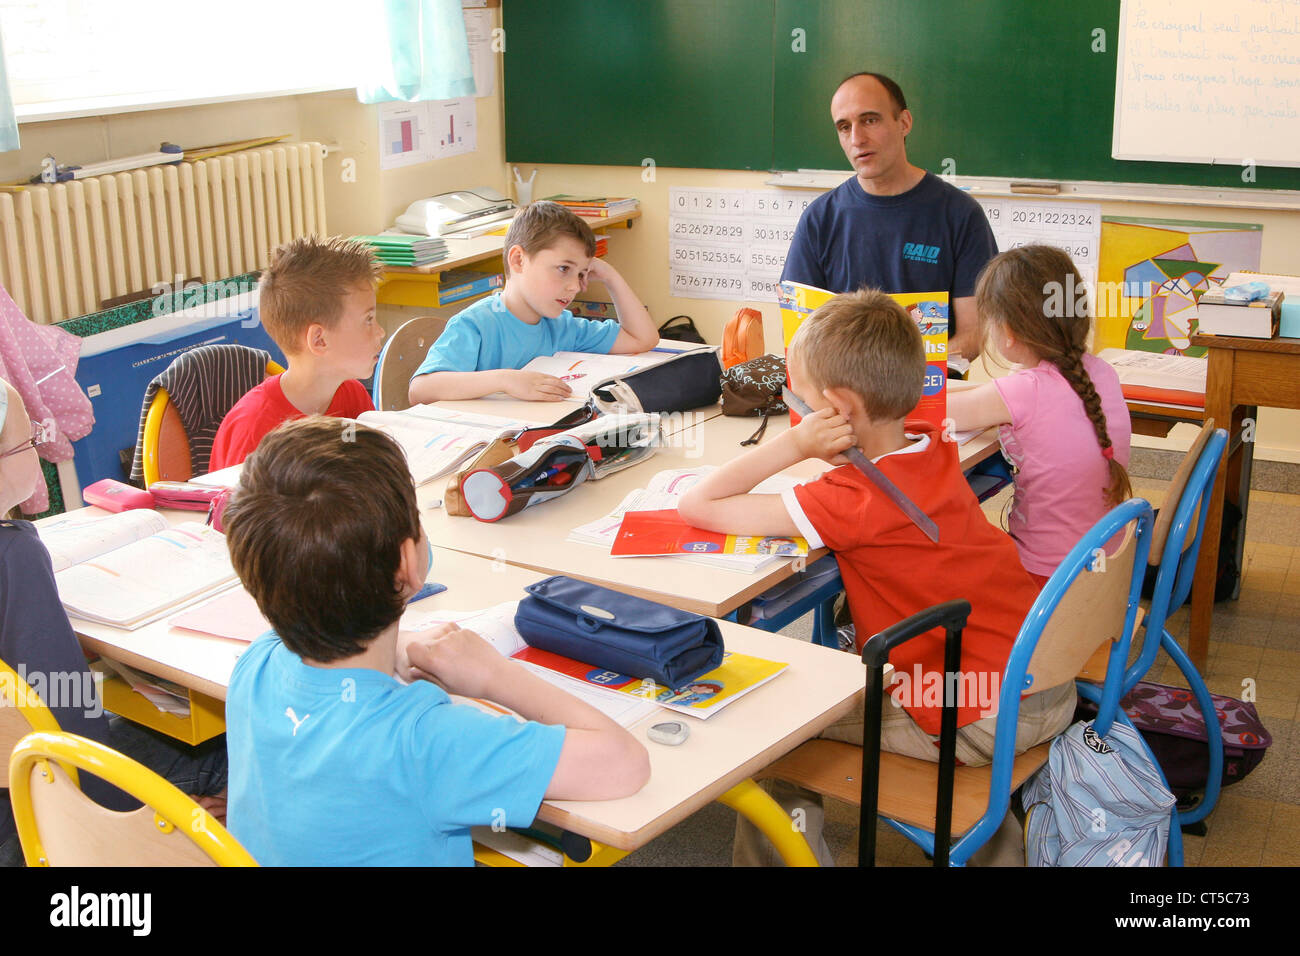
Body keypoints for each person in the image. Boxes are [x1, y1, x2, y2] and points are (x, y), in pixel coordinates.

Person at [677, 290, 1075, 866]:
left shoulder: (848, 500)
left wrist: (794, 444)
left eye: (805, 402)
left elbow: (700, 504)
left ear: (837, 409)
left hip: (978, 715)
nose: (802, 411)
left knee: (770, 726)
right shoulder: (932, 442)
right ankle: (998, 842)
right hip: (1042, 679)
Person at [221, 416, 649, 866]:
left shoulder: (257, 663)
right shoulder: (427, 741)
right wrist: (495, 676)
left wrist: (402, 647)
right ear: (408, 562)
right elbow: (625, 764)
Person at [0, 379, 227, 865]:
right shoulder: (13, 555)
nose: (39, 451)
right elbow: (67, 713)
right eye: (27, 442)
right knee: (223, 746)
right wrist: (141, 825)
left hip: (14, 799)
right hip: (44, 824)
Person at [947, 245, 1132, 586]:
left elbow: (937, 409)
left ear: (1009, 332)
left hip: (1046, 583)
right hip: (1105, 578)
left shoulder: (1024, 391)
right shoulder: (1102, 372)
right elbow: (977, 399)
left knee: (950, 564)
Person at [780, 72, 997, 362]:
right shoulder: (820, 219)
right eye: (845, 127)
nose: (857, 138)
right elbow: (798, 334)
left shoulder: (961, 215)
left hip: (928, 393)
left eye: (870, 120)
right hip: (844, 396)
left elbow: (975, 334)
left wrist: (898, 379)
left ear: (904, 122)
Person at [408, 201, 658, 404]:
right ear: (518, 261)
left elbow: (642, 338)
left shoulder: (561, 325)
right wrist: (506, 380)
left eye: (582, 273)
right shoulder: (477, 323)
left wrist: (610, 276)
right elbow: (421, 389)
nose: (574, 286)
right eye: (563, 268)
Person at [208, 236, 384, 470]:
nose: (380, 332)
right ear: (319, 340)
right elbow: (234, 506)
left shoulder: (353, 395)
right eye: (368, 320)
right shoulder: (253, 428)